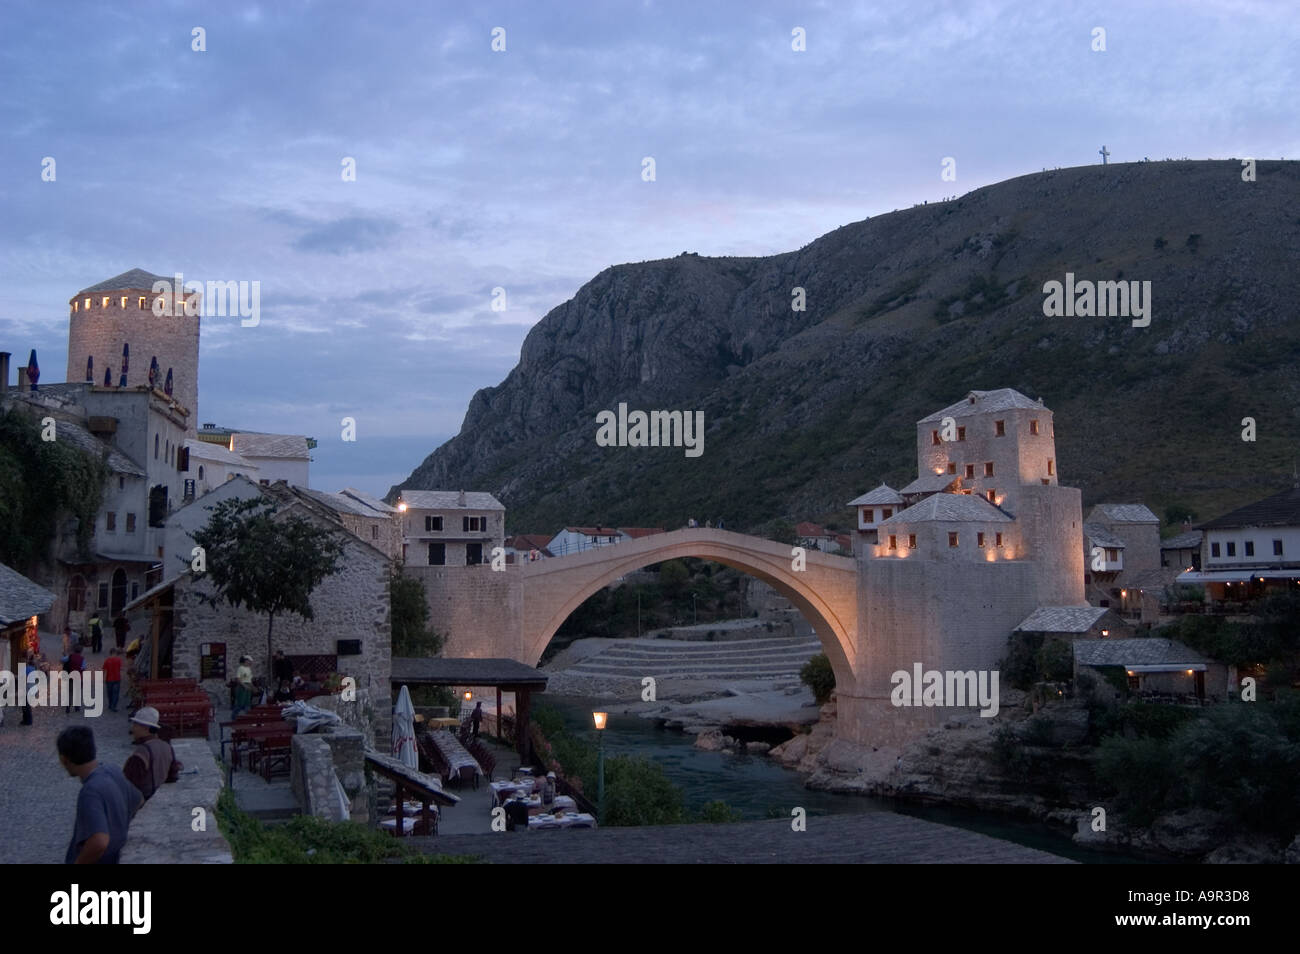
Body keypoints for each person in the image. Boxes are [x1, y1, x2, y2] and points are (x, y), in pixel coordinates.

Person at [57, 725, 141, 864]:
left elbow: (99, 841)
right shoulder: (112, 770)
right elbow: (138, 800)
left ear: (64, 759)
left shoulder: (90, 792)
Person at [122, 707, 180, 802]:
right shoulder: (167, 747)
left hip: (142, 803)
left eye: (135, 725)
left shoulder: (141, 754)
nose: (132, 729)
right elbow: (173, 776)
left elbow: (128, 788)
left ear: (145, 728)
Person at [63, 642, 86, 714]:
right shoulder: (82, 659)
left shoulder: (70, 656)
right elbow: (84, 668)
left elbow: (62, 660)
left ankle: (68, 707)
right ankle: (77, 707)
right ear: (81, 651)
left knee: (70, 692)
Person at [101, 648, 123, 713]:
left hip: (109, 679)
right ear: (115, 653)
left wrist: (102, 678)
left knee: (109, 693)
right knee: (115, 693)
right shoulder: (119, 660)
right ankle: (114, 706)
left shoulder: (107, 660)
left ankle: (110, 704)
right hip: (117, 678)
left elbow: (104, 670)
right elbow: (121, 668)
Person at [21, 652, 38, 725]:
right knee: (26, 705)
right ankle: (26, 720)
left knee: (25, 705)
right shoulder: (34, 669)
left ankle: (28, 721)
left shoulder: (27, 669)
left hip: (27, 689)